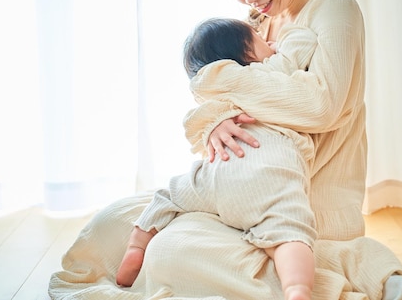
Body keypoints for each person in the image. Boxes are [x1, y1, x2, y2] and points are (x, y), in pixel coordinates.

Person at [48, 0, 402, 300]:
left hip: (295, 197)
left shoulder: (334, 9)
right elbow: (214, 102)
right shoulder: (259, 22)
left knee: (170, 253)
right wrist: (215, 120)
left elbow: (320, 106)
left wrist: (224, 81)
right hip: (237, 187)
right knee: (115, 221)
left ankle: (350, 275)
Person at [116, 17, 320, 300]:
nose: (270, 43)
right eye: (262, 40)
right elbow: (304, 42)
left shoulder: (210, 87)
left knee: (168, 195)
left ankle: (136, 248)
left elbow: (194, 121)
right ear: (249, 54)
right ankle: (296, 288)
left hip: (217, 172)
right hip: (269, 165)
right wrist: (284, 39)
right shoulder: (266, 74)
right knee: (288, 232)